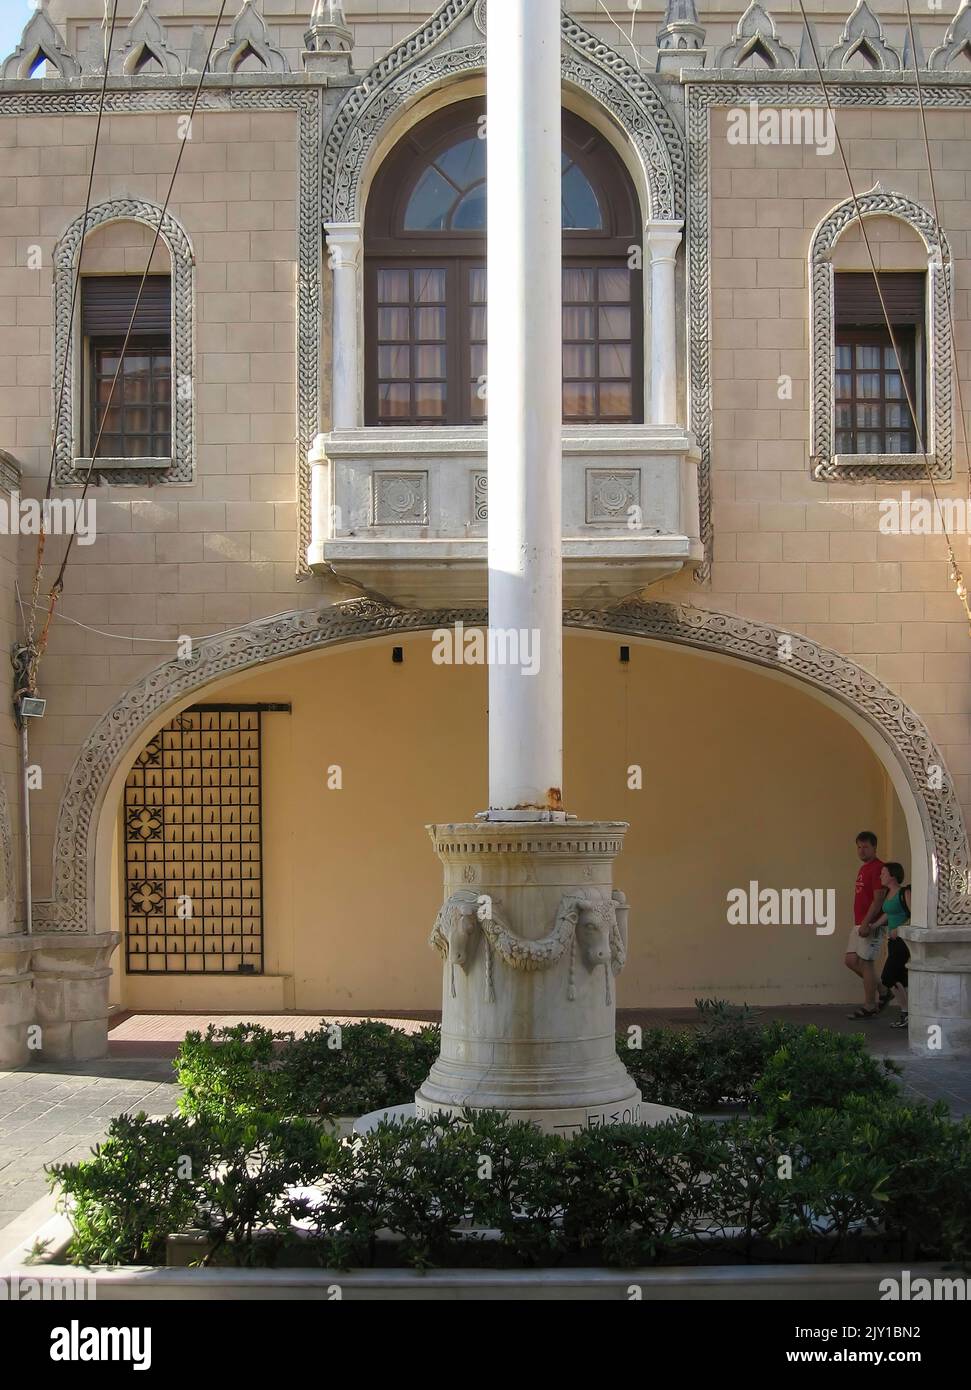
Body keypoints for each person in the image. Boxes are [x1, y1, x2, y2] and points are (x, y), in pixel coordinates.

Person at [844, 831, 887, 1020]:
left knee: (866, 963)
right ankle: (883, 990)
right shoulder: (864, 868)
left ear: (874, 848)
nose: (861, 851)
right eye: (859, 847)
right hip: (859, 922)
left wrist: (867, 923)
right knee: (851, 961)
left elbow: (878, 899)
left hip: (869, 924)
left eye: (865, 847)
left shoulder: (878, 868)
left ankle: (870, 1006)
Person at [872, 862, 911, 1029]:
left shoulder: (904, 892)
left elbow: (915, 915)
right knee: (901, 978)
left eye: (883, 873)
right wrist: (874, 926)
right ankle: (908, 1014)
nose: (881, 876)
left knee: (888, 977)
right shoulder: (888, 894)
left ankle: (907, 1012)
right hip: (893, 942)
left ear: (892, 876)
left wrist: (900, 929)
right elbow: (888, 913)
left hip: (903, 941)